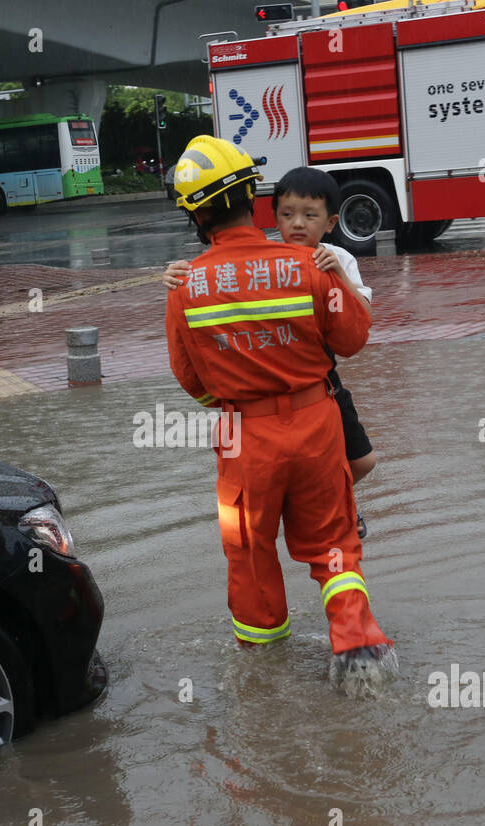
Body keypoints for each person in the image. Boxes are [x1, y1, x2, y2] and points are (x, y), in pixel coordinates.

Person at [164, 135, 393, 697]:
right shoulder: (309, 264)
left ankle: (264, 683)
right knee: (334, 545)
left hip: (245, 438)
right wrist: (336, 277)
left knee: (249, 551)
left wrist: (236, 400)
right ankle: (360, 655)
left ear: (196, 214)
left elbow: (190, 379)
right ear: (252, 196)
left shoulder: (184, 285)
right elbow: (355, 338)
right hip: (317, 425)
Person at [164, 166, 377, 537]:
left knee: (363, 460)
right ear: (271, 214)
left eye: (310, 216)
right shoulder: (261, 259)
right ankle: (320, 511)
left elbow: (360, 324)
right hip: (278, 398)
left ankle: (334, 505)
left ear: (330, 223)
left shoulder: (335, 260)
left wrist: (338, 278)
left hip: (320, 387)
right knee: (332, 548)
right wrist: (178, 276)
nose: (297, 224)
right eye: (286, 214)